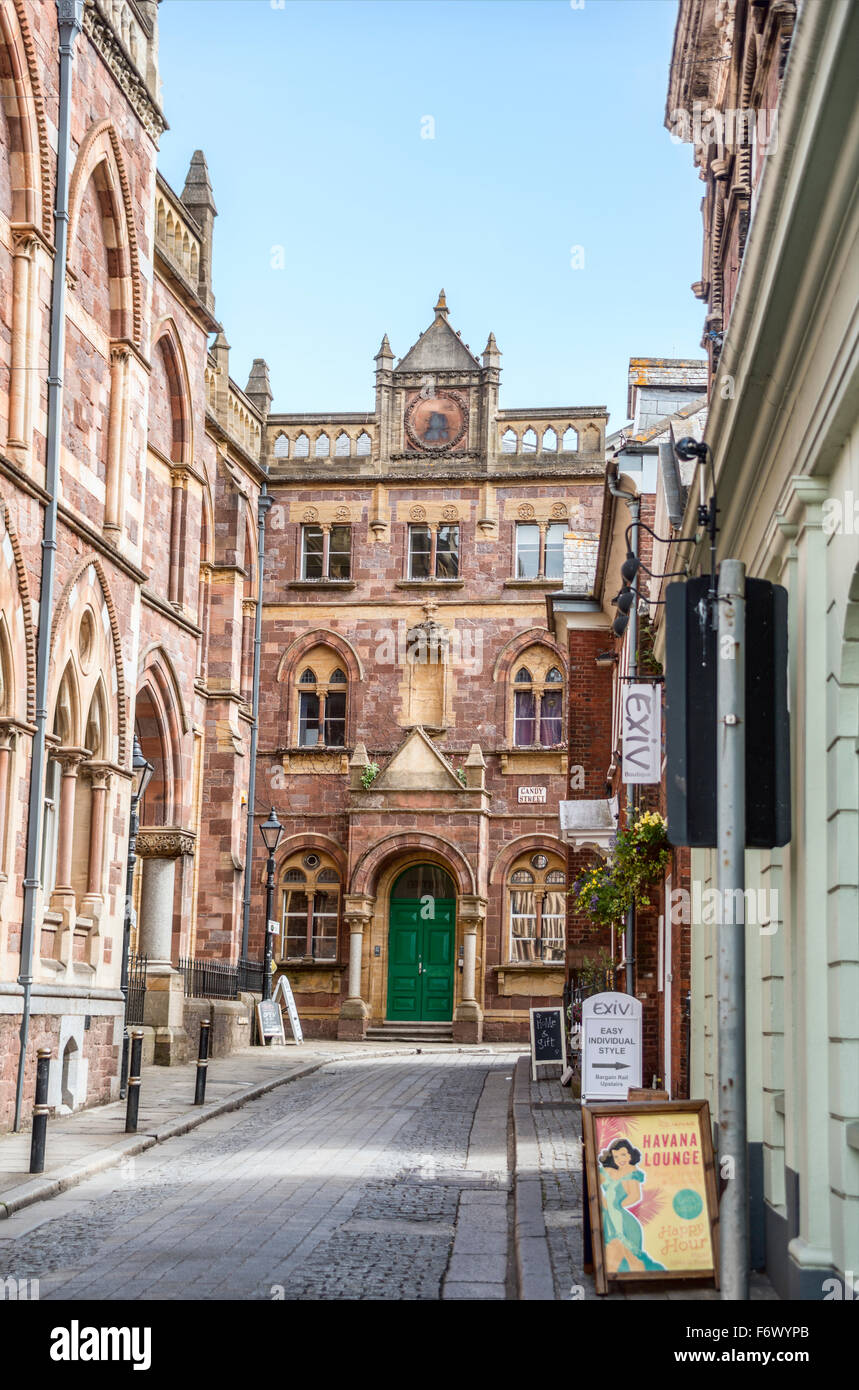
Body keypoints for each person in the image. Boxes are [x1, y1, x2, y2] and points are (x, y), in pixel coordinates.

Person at [598, 1137, 665, 1273]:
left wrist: (614, 1204)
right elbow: (595, 1183)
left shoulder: (630, 1172)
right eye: (616, 1156)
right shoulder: (611, 1171)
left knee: (633, 1259)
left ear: (630, 1154)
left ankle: (641, 1281)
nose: (620, 1159)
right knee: (611, 1258)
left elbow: (635, 1196)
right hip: (609, 1219)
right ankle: (610, 1280)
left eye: (623, 1154)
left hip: (624, 1224)